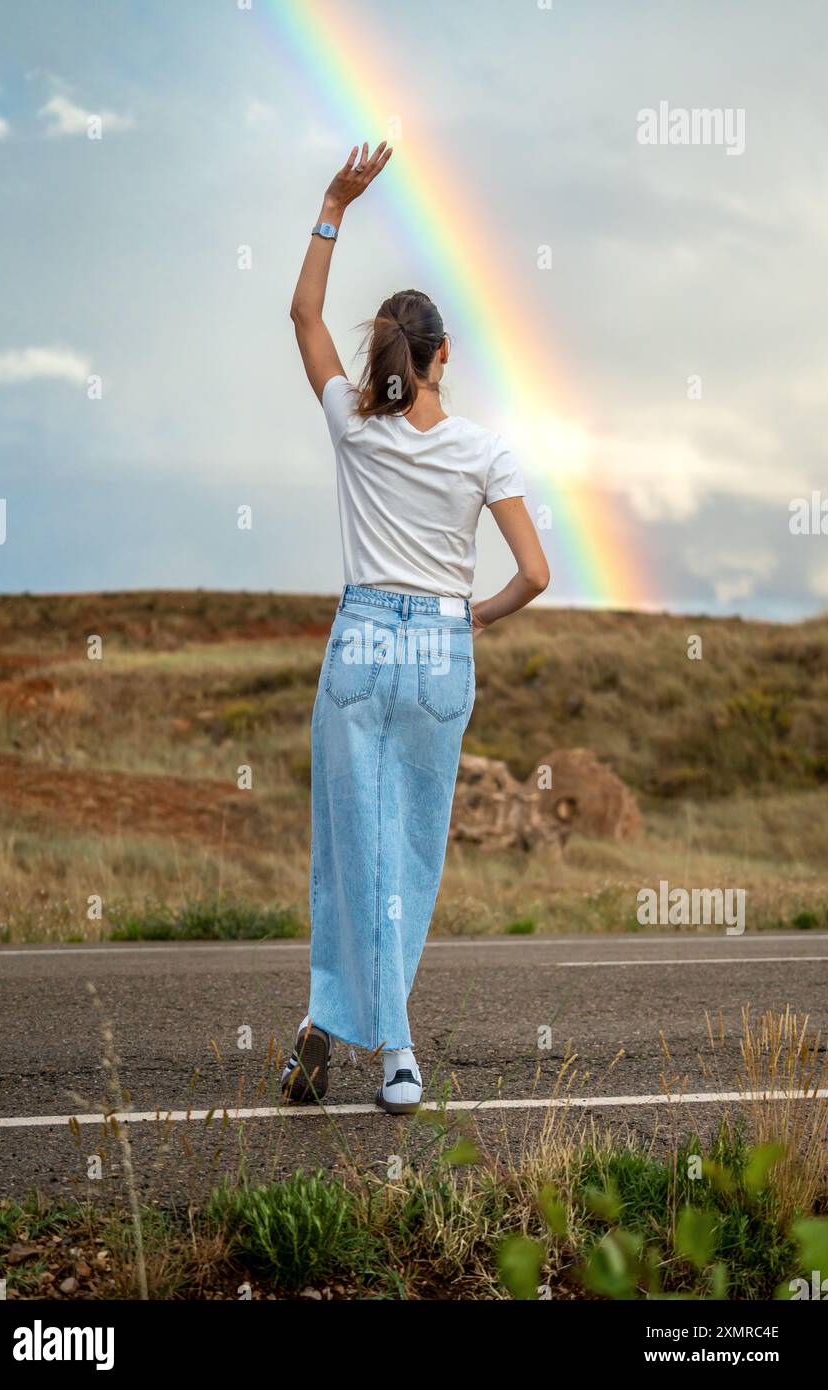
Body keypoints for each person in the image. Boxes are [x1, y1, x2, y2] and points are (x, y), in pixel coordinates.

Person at [282, 141, 550, 1114]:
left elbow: (303, 314)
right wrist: (469, 612)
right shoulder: (485, 451)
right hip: (439, 647)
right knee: (405, 860)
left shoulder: (353, 425)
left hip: (358, 641)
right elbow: (534, 573)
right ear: (443, 356)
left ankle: (338, 1034)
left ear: (384, 358)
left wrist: (331, 204)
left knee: (349, 853)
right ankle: (382, 1047)